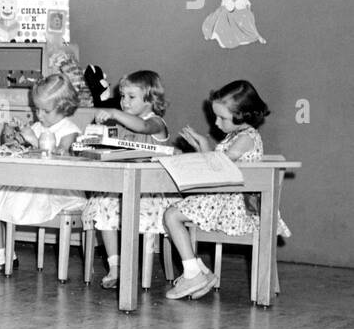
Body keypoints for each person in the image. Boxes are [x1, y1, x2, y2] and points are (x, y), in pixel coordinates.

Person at [162, 80, 289, 300]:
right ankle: (199, 271)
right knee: (172, 213)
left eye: (222, 118)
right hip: (228, 199)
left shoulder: (247, 138)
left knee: (172, 215)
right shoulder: (236, 136)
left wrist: (201, 152)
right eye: (215, 117)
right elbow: (218, 162)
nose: (217, 123)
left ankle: (194, 272)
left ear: (243, 115)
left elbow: (221, 164)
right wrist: (202, 146)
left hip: (236, 205)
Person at [81, 70, 174, 289]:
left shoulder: (157, 123)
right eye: (122, 96)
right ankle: (116, 266)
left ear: (151, 100)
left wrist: (113, 111)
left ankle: (131, 267)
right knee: (104, 204)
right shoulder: (122, 126)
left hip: (149, 194)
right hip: (123, 189)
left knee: (113, 204)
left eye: (131, 97)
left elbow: (141, 127)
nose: (124, 102)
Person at [0, 74, 87, 269]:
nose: (39, 115)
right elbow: (13, 145)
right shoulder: (36, 126)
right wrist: (10, 132)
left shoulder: (69, 130)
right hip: (33, 184)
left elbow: (61, 159)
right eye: (36, 109)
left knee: (10, 200)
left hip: (57, 189)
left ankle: (3, 255)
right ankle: (0, 255)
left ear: (64, 107)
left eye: (45, 111)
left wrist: (34, 141)